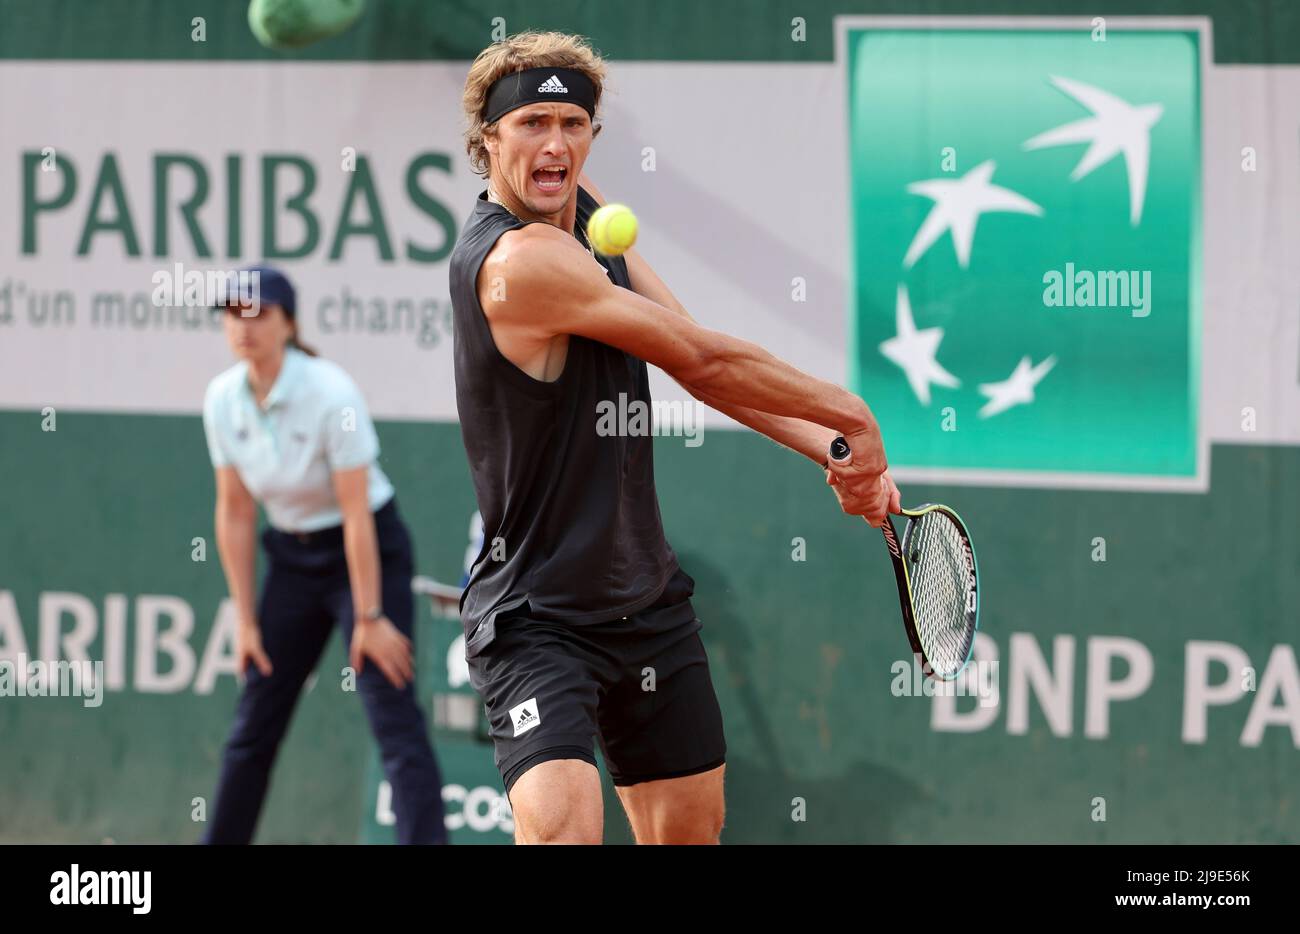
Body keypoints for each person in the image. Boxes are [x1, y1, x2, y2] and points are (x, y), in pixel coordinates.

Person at [450, 32, 900, 845]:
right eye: (532, 123)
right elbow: (704, 357)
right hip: (537, 617)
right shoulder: (518, 263)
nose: (557, 142)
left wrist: (833, 455)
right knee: (561, 835)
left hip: (646, 606)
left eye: (574, 123)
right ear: (487, 141)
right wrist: (852, 416)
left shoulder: (584, 221)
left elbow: (699, 363)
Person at [201, 265, 446, 844]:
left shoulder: (331, 392)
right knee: (254, 722)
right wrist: (245, 620)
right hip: (291, 560)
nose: (244, 324)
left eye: (259, 312)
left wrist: (370, 617)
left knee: (392, 715)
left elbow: (356, 513)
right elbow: (234, 513)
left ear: (288, 322)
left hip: (366, 554)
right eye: (234, 312)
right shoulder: (221, 400)